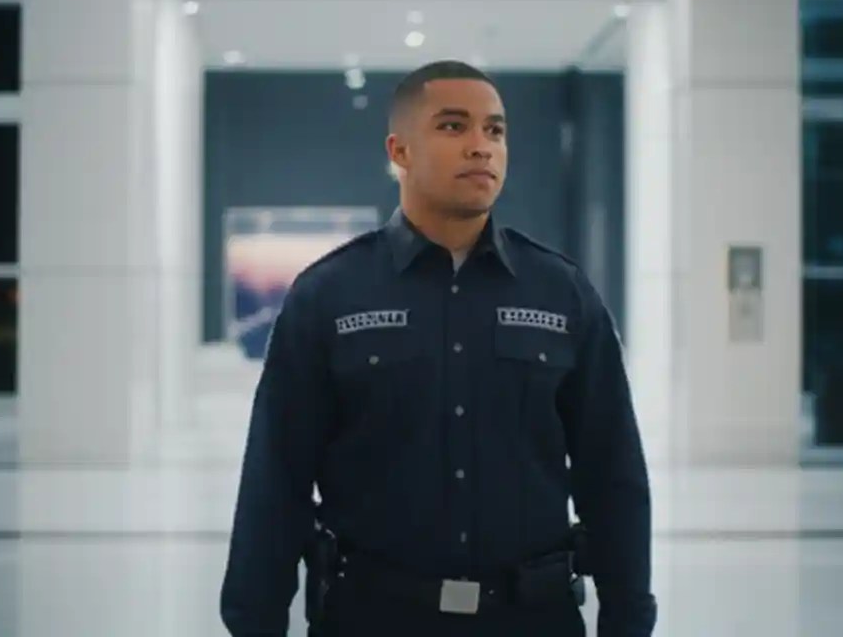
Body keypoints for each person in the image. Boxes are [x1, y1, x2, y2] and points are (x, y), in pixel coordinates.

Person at [220, 60, 656, 637]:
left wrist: (627, 615)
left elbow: (612, 471)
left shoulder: (562, 293)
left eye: (495, 130)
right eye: (454, 127)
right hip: (372, 618)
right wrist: (256, 620)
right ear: (399, 152)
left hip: (532, 620)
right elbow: (276, 477)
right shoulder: (329, 295)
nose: (481, 146)